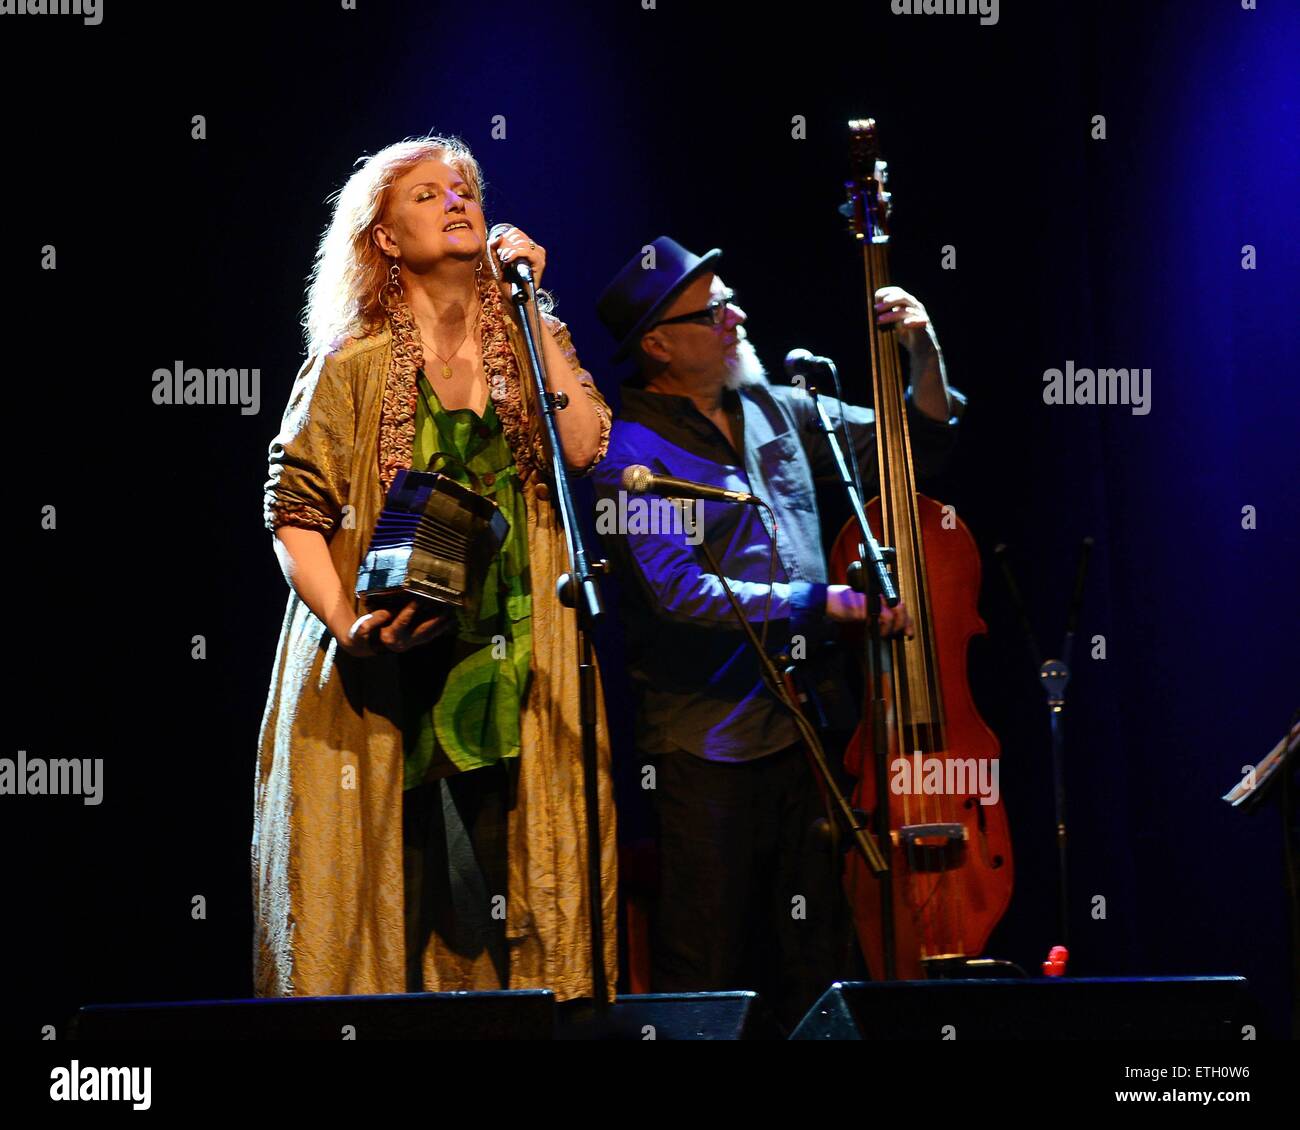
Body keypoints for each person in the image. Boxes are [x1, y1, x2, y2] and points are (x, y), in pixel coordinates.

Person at [254, 134, 617, 1002]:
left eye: (465, 189)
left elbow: (584, 449)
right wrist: (350, 628)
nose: (456, 202)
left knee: (502, 902)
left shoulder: (533, 344)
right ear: (381, 237)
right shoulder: (351, 362)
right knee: (384, 900)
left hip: (514, 662)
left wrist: (532, 314)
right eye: (425, 195)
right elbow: (294, 514)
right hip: (383, 661)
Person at [592, 236, 963, 1030]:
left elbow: (910, 447)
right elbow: (678, 593)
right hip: (709, 748)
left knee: (822, 953)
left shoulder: (773, 404)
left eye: (731, 299)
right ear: (658, 343)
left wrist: (922, 353)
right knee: (711, 958)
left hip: (812, 733)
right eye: (715, 308)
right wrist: (818, 601)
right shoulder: (629, 453)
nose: (738, 315)